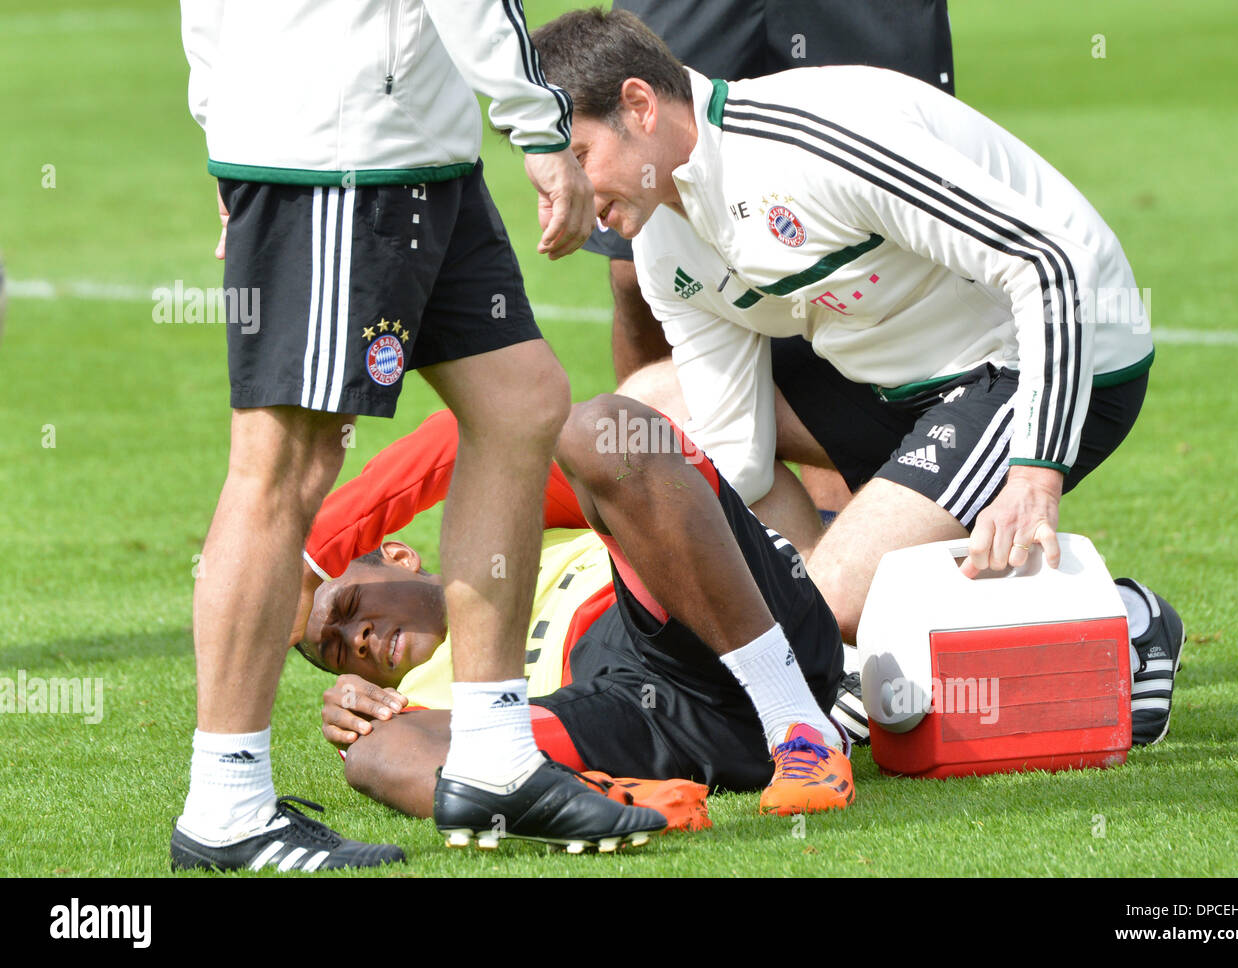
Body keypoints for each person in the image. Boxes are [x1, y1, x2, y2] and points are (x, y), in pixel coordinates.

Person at [531, 10, 1184, 747]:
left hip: (1046, 356)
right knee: (647, 409)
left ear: (641, 106)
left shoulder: (807, 142)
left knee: (836, 596)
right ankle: (826, 669)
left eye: (576, 157)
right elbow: (734, 452)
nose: (562, 202)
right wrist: (692, 576)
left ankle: (1124, 620)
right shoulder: (661, 243)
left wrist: (1034, 475)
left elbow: (1048, 262)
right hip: (900, 384)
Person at [169, 0, 662, 873]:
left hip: (405, 142)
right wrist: (540, 128)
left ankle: (495, 757)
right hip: (340, 144)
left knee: (519, 399)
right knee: (285, 460)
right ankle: (226, 807)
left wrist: (218, 105)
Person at [290, 394, 855, 835]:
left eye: (348, 606)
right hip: (639, 718)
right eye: (339, 649)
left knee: (603, 428)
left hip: (738, 624)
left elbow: (462, 436)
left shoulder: (512, 528)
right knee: (373, 754)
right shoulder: (419, 693)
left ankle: (800, 727)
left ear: (398, 555)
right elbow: (399, 754)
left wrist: (309, 559)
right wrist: (356, 720)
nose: (357, 638)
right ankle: (609, 802)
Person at [582, 1, 955, 513]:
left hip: (981, 376)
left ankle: (880, 508)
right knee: (642, 268)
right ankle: (782, 560)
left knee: (873, 199)